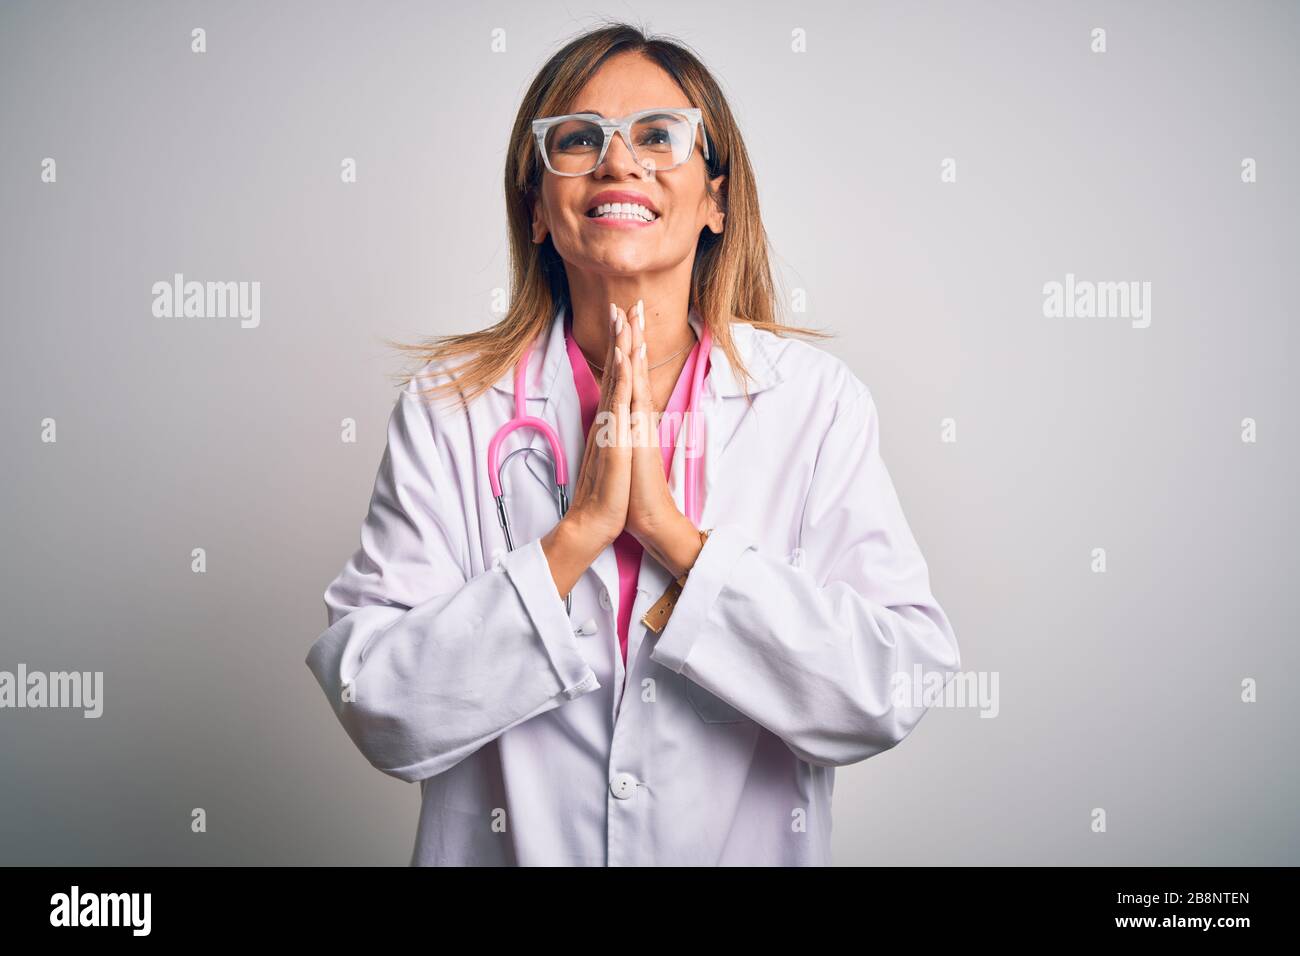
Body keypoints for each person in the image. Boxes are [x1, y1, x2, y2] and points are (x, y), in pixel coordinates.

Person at [305, 21, 960, 866]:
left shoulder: (812, 404)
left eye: (658, 135)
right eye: (578, 140)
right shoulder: (450, 410)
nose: (618, 161)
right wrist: (574, 539)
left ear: (717, 200)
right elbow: (380, 702)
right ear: (537, 208)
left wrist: (675, 540)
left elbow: (888, 687)